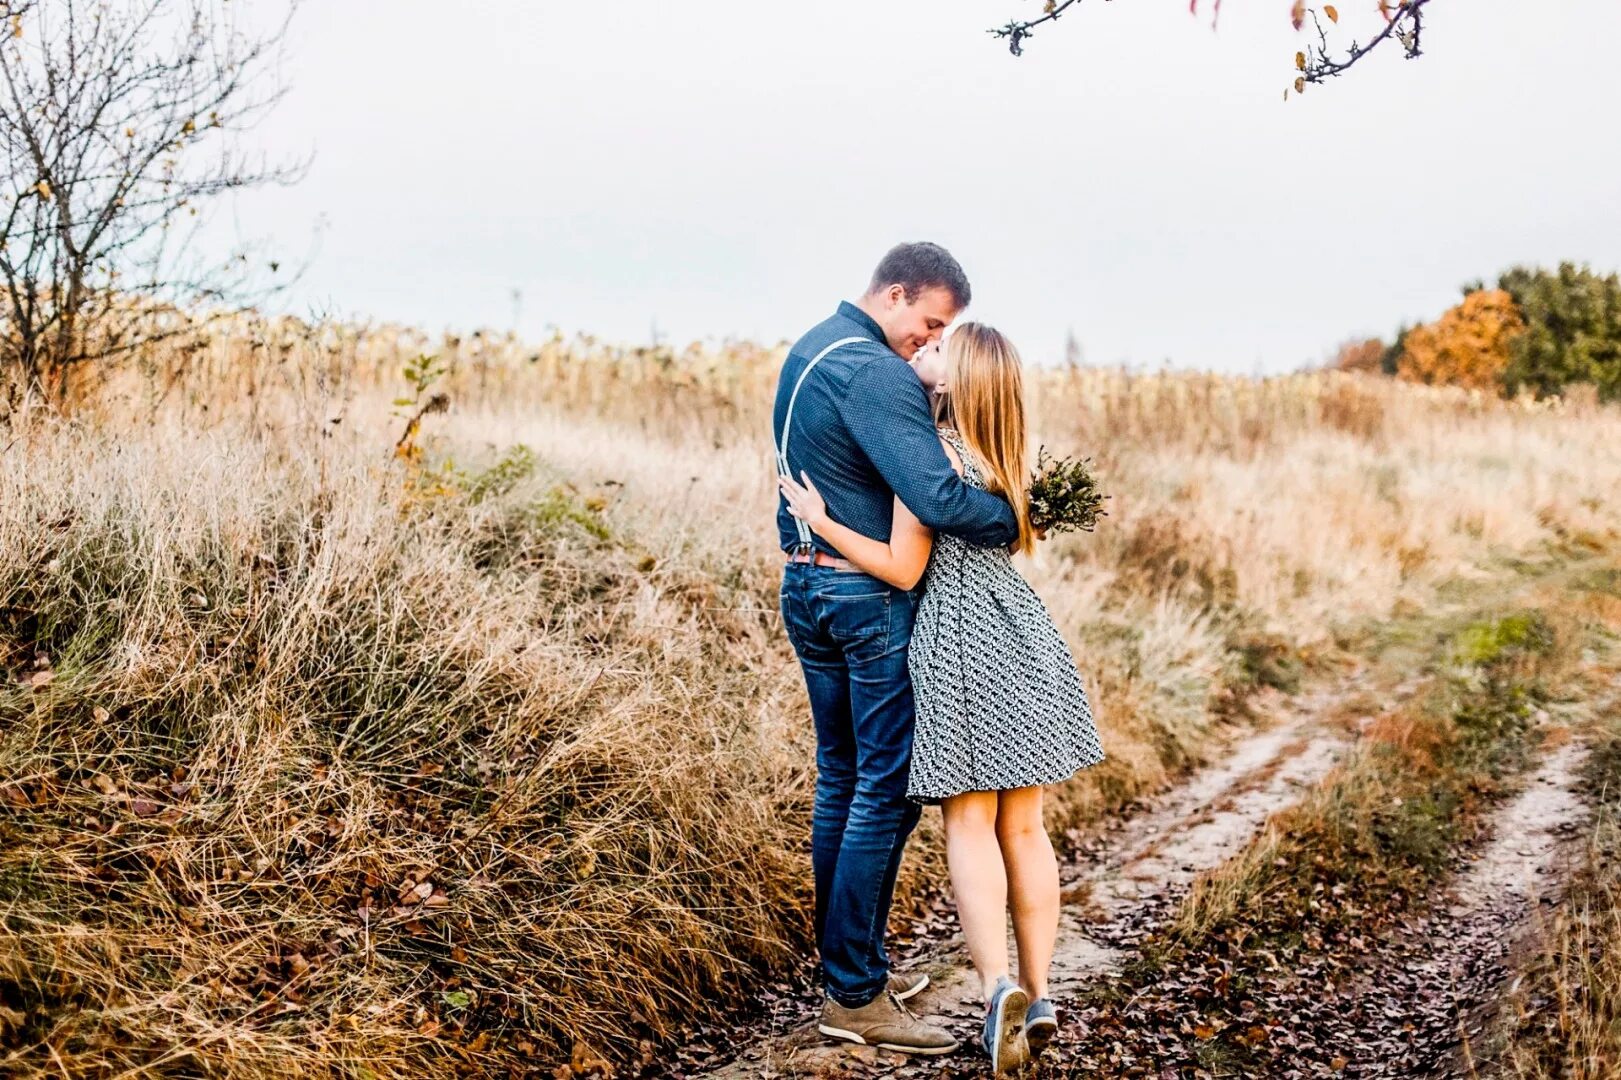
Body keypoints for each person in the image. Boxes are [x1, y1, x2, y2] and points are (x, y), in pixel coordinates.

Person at [779, 322, 1107, 1074]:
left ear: (952, 380)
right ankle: (1041, 989)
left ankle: (995, 989)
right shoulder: (1009, 455)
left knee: (969, 819)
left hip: (959, 642)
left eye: (934, 350)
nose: (917, 354)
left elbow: (900, 569)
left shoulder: (930, 458)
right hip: (1024, 635)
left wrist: (821, 521)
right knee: (1024, 826)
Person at [773, 242, 1020, 1057]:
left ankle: (854, 968)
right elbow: (937, 497)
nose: (926, 339)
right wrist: (1016, 518)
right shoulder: (875, 372)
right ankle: (854, 993)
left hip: (807, 588)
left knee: (841, 777)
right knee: (882, 789)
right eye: (929, 323)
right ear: (897, 293)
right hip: (865, 599)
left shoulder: (811, 346)